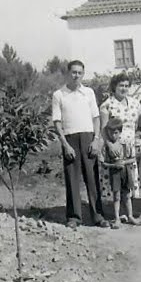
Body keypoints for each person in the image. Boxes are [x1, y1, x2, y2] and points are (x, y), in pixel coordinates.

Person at [51, 60, 102, 229]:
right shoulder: (59, 95)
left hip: (88, 138)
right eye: (73, 72)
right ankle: (74, 217)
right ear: (68, 73)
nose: (76, 76)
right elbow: (57, 122)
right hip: (70, 139)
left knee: (92, 178)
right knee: (72, 179)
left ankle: (98, 215)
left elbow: (96, 117)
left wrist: (96, 140)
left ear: (83, 74)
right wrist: (65, 144)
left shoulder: (89, 92)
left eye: (80, 73)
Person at [92, 74, 141, 218]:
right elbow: (103, 129)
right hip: (114, 147)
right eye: (121, 85)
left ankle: (129, 211)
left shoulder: (135, 103)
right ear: (114, 87)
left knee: (128, 179)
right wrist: (109, 145)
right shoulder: (107, 105)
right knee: (116, 180)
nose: (124, 88)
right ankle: (117, 213)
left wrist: (140, 136)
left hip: (130, 147)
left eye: (127, 86)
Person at [97, 117, 139, 227]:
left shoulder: (125, 144)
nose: (113, 136)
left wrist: (124, 162)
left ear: (120, 132)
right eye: (111, 133)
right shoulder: (107, 147)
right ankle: (117, 218)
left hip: (126, 172)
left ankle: (130, 216)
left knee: (127, 195)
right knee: (117, 196)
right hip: (115, 173)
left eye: (116, 133)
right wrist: (113, 165)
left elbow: (133, 158)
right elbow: (103, 163)